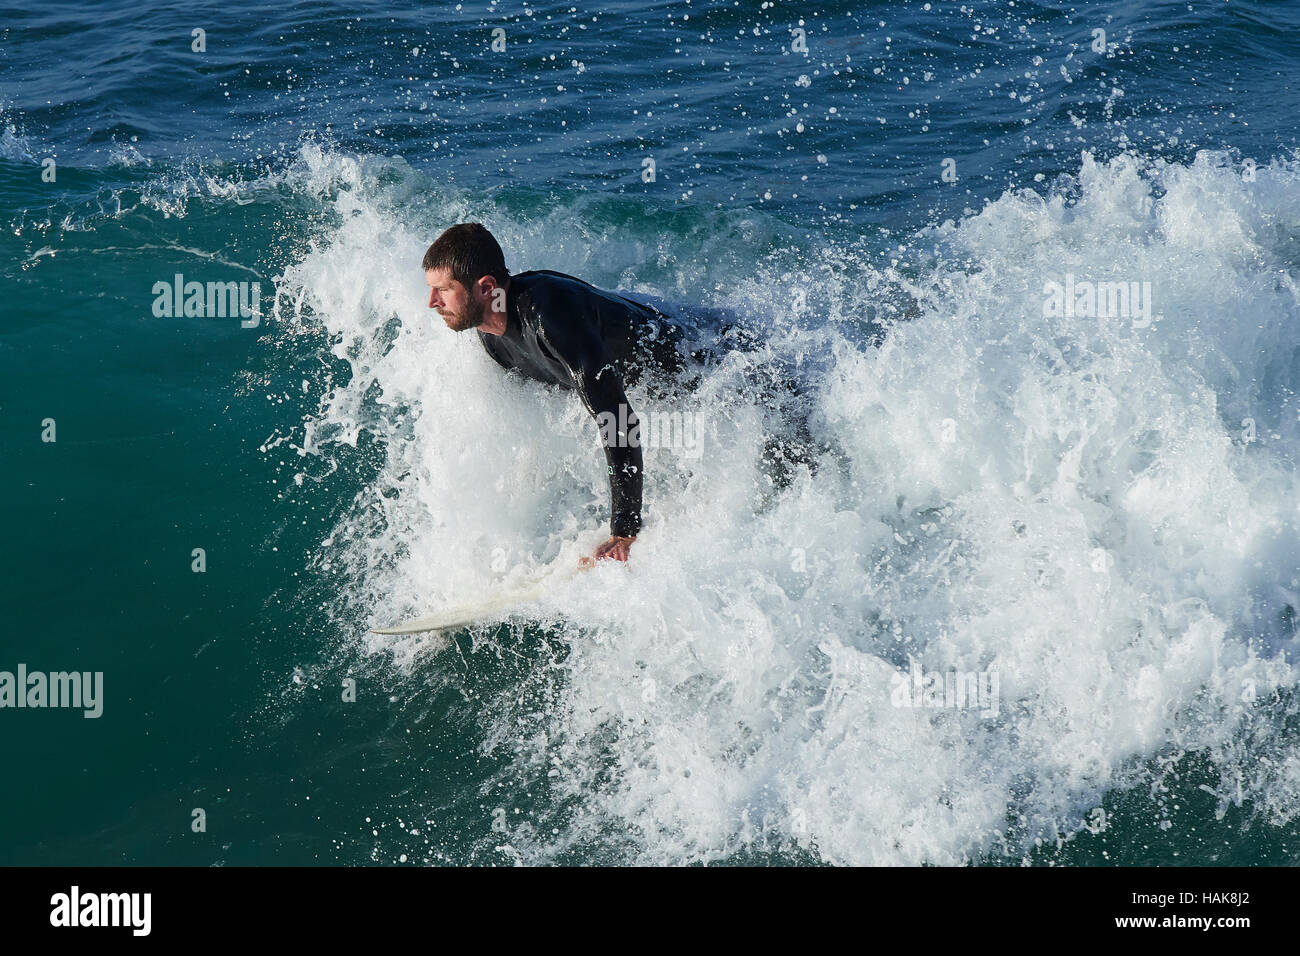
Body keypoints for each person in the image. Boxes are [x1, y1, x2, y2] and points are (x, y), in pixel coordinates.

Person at [422, 222, 818, 565]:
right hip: (666, 367)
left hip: (714, 360)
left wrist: (625, 530)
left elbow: (617, 420)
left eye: (443, 289)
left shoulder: (550, 316)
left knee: (798, 458)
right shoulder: (494, 342)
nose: (432, 302)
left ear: (486, 287)